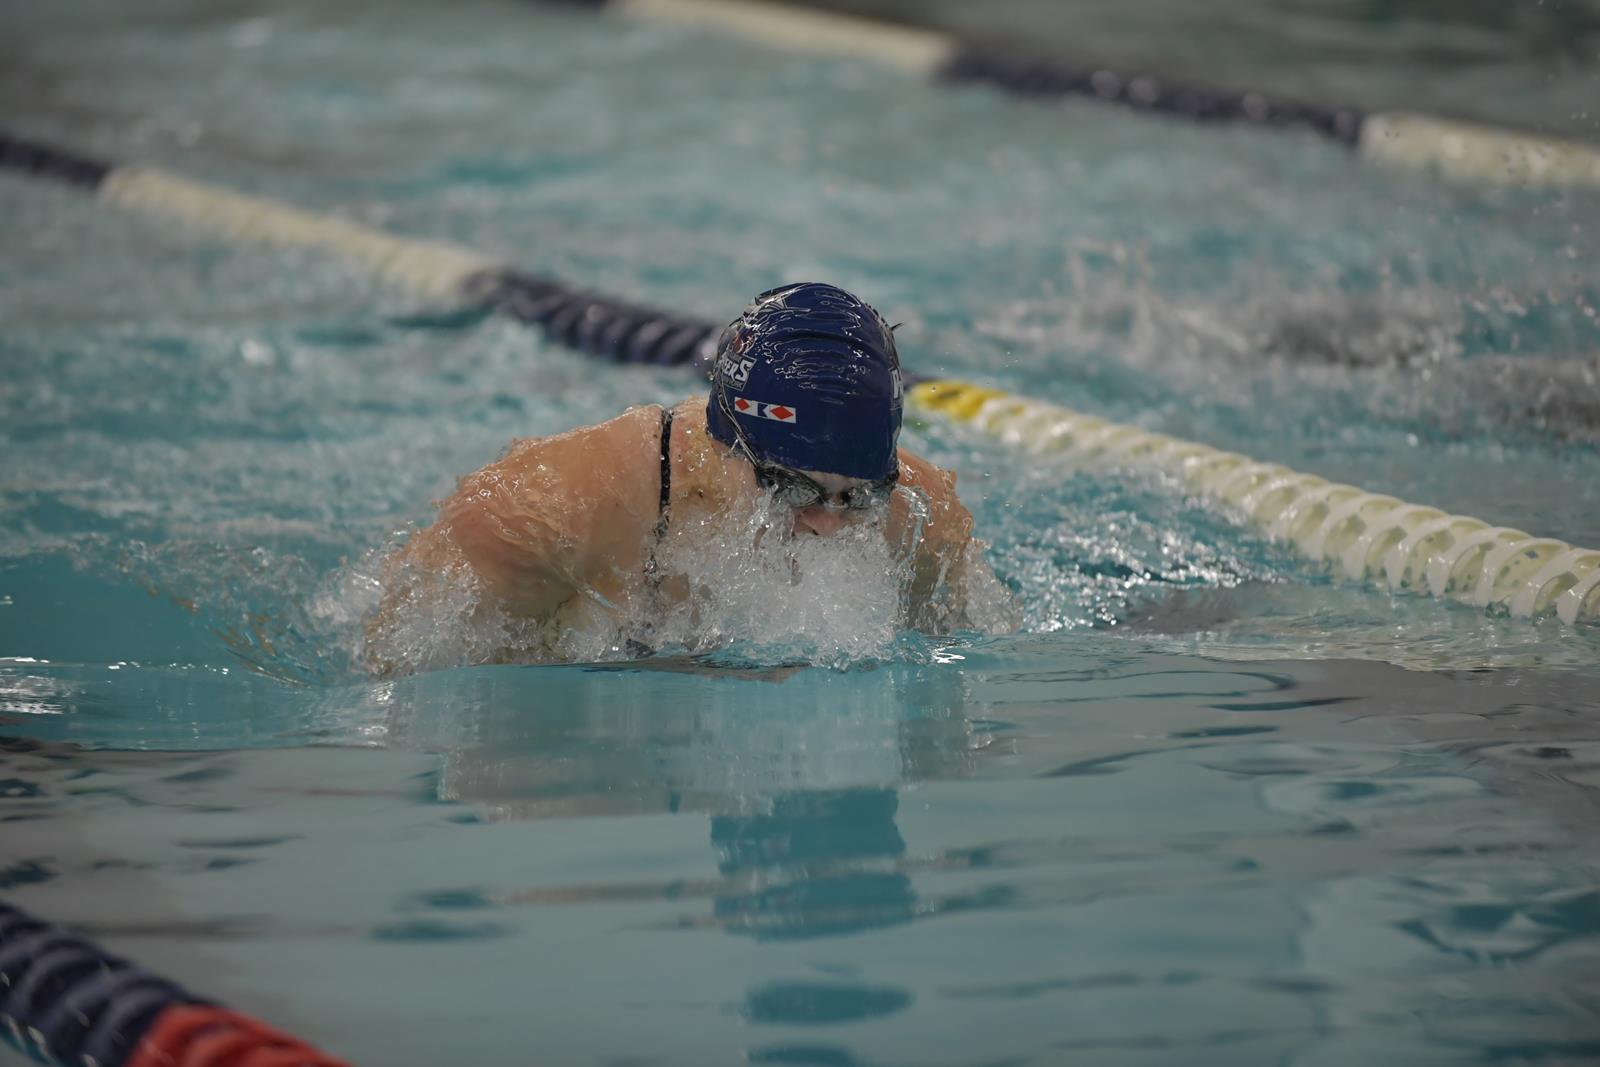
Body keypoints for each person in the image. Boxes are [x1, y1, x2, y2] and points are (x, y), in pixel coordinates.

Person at [366, 282, 1007, 668]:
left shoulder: (922, 523)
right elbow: (400, 670)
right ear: (724, 445)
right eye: (791, 488)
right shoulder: (550, 515)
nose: (827, 524)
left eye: (857, 496)